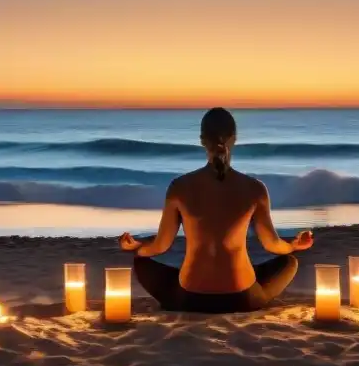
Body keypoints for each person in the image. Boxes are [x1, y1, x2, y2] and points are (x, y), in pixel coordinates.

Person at [118, 107, 313, 313]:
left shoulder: (179, 187)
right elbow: (272, 245)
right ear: (234, 138)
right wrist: (293, 245)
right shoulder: (255, 188)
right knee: (288, 262)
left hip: (189, 299)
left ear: (202, 140)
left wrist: (137, 247)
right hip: (242, 298)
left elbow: (160, 246)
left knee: (142, 263)